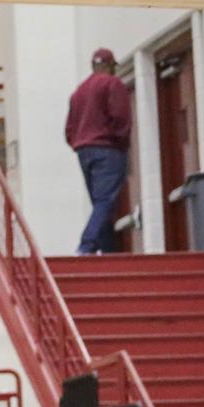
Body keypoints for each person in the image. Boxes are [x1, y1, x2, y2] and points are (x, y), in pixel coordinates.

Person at [67, 47, 133, 256]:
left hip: (84, 151)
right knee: (105, 200)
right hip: (108, 148)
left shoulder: (79, 91)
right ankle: (86, 246)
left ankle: (108, 250)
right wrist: (121, 143)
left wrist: (79, 143)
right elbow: (121, 118)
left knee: (100, 202)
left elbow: (69, 129)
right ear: (110, 65)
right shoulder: (113, 84)